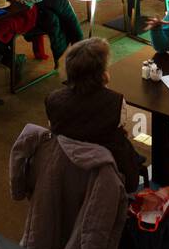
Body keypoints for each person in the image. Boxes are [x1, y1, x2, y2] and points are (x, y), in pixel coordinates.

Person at [45, 37, 143, 192]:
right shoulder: (116, 102)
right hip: (105, 167)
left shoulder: (52, 99)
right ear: (101, 73)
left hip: (65, 165)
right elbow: (123, 132)